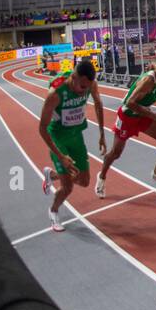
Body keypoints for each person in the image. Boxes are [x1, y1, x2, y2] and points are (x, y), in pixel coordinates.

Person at [96, 57, 156, 196]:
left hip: (143, 115)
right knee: (116, 153)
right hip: (128, 117)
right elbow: (130, 103)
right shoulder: (149, 81)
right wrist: (155, 116)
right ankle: (101, 176)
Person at [38, 59, 107, 232]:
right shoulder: (55, 93)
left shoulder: (90, 84)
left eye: (88, 88)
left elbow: (98, 103)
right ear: (73, 77)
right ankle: (53, 211)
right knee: (67, 187)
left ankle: (52, 175)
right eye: (82, 87)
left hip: (76, 135)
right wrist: (60, 155)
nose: (84, 91)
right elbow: (42, 128)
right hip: (58, 138)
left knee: (84, 181)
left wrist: (102, 134)